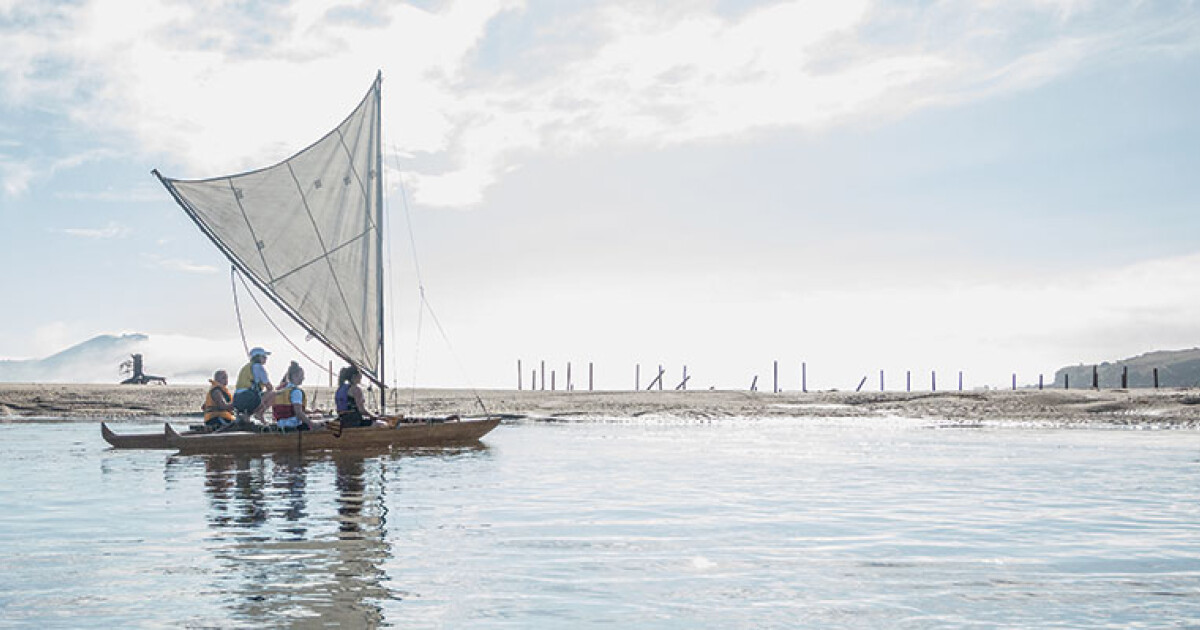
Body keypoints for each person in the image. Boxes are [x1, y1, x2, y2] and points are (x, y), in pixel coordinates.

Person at [271, 361, 319, 431]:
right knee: (320, 426)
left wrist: (311, 412)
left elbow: (291, 407)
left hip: (280, 425)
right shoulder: (296, 391)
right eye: (301, 376)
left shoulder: (281, 389)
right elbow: (298, 413)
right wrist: (313, 424)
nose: (303, 378)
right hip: (293, 426)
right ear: (294, 376)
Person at [232, 347, 275, 422]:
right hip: (248, 398)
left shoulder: (247, 367)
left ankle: (246, 417)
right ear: (258, 357)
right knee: (273, 393)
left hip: (237, 399)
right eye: (264, 356)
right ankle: (259, 413)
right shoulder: (258, 367)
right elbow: (269, 387)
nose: (266, 358)